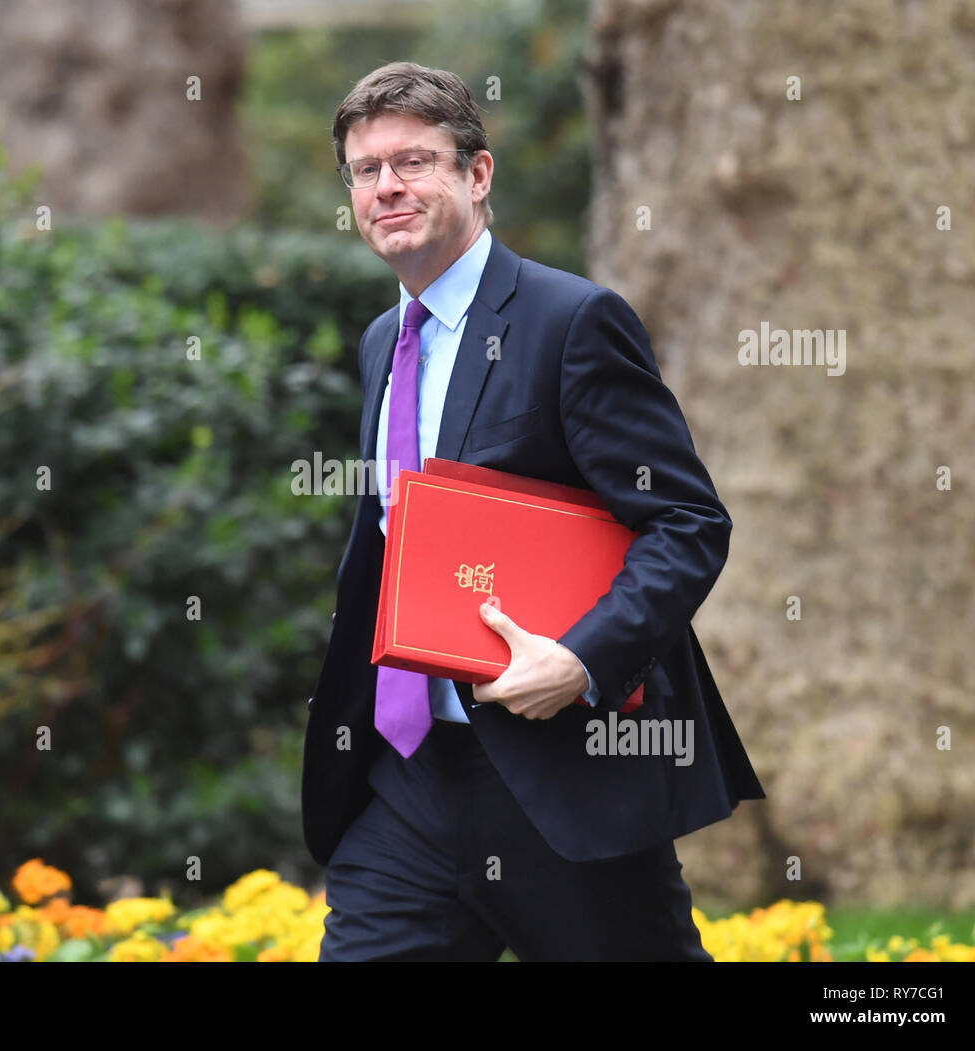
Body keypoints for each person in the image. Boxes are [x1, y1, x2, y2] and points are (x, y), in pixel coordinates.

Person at [302, 61, 764, 962]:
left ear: (478, 175)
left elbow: (687, 524)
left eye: (414, 162)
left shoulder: (572, 321)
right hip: (407, 775)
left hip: (559, 775)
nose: (386, 187)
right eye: (366, 170)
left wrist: (583, 662)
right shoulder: (380, 343)